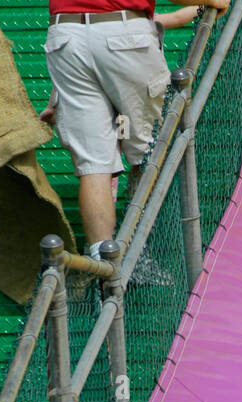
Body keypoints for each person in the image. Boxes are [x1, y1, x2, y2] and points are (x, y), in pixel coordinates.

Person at [39, 0, 228, 263]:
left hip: (66, 36)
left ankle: (104, 264)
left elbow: (172, 17)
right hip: (124, 36)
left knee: (94, 165)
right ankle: (139, 254)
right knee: (151, 151)